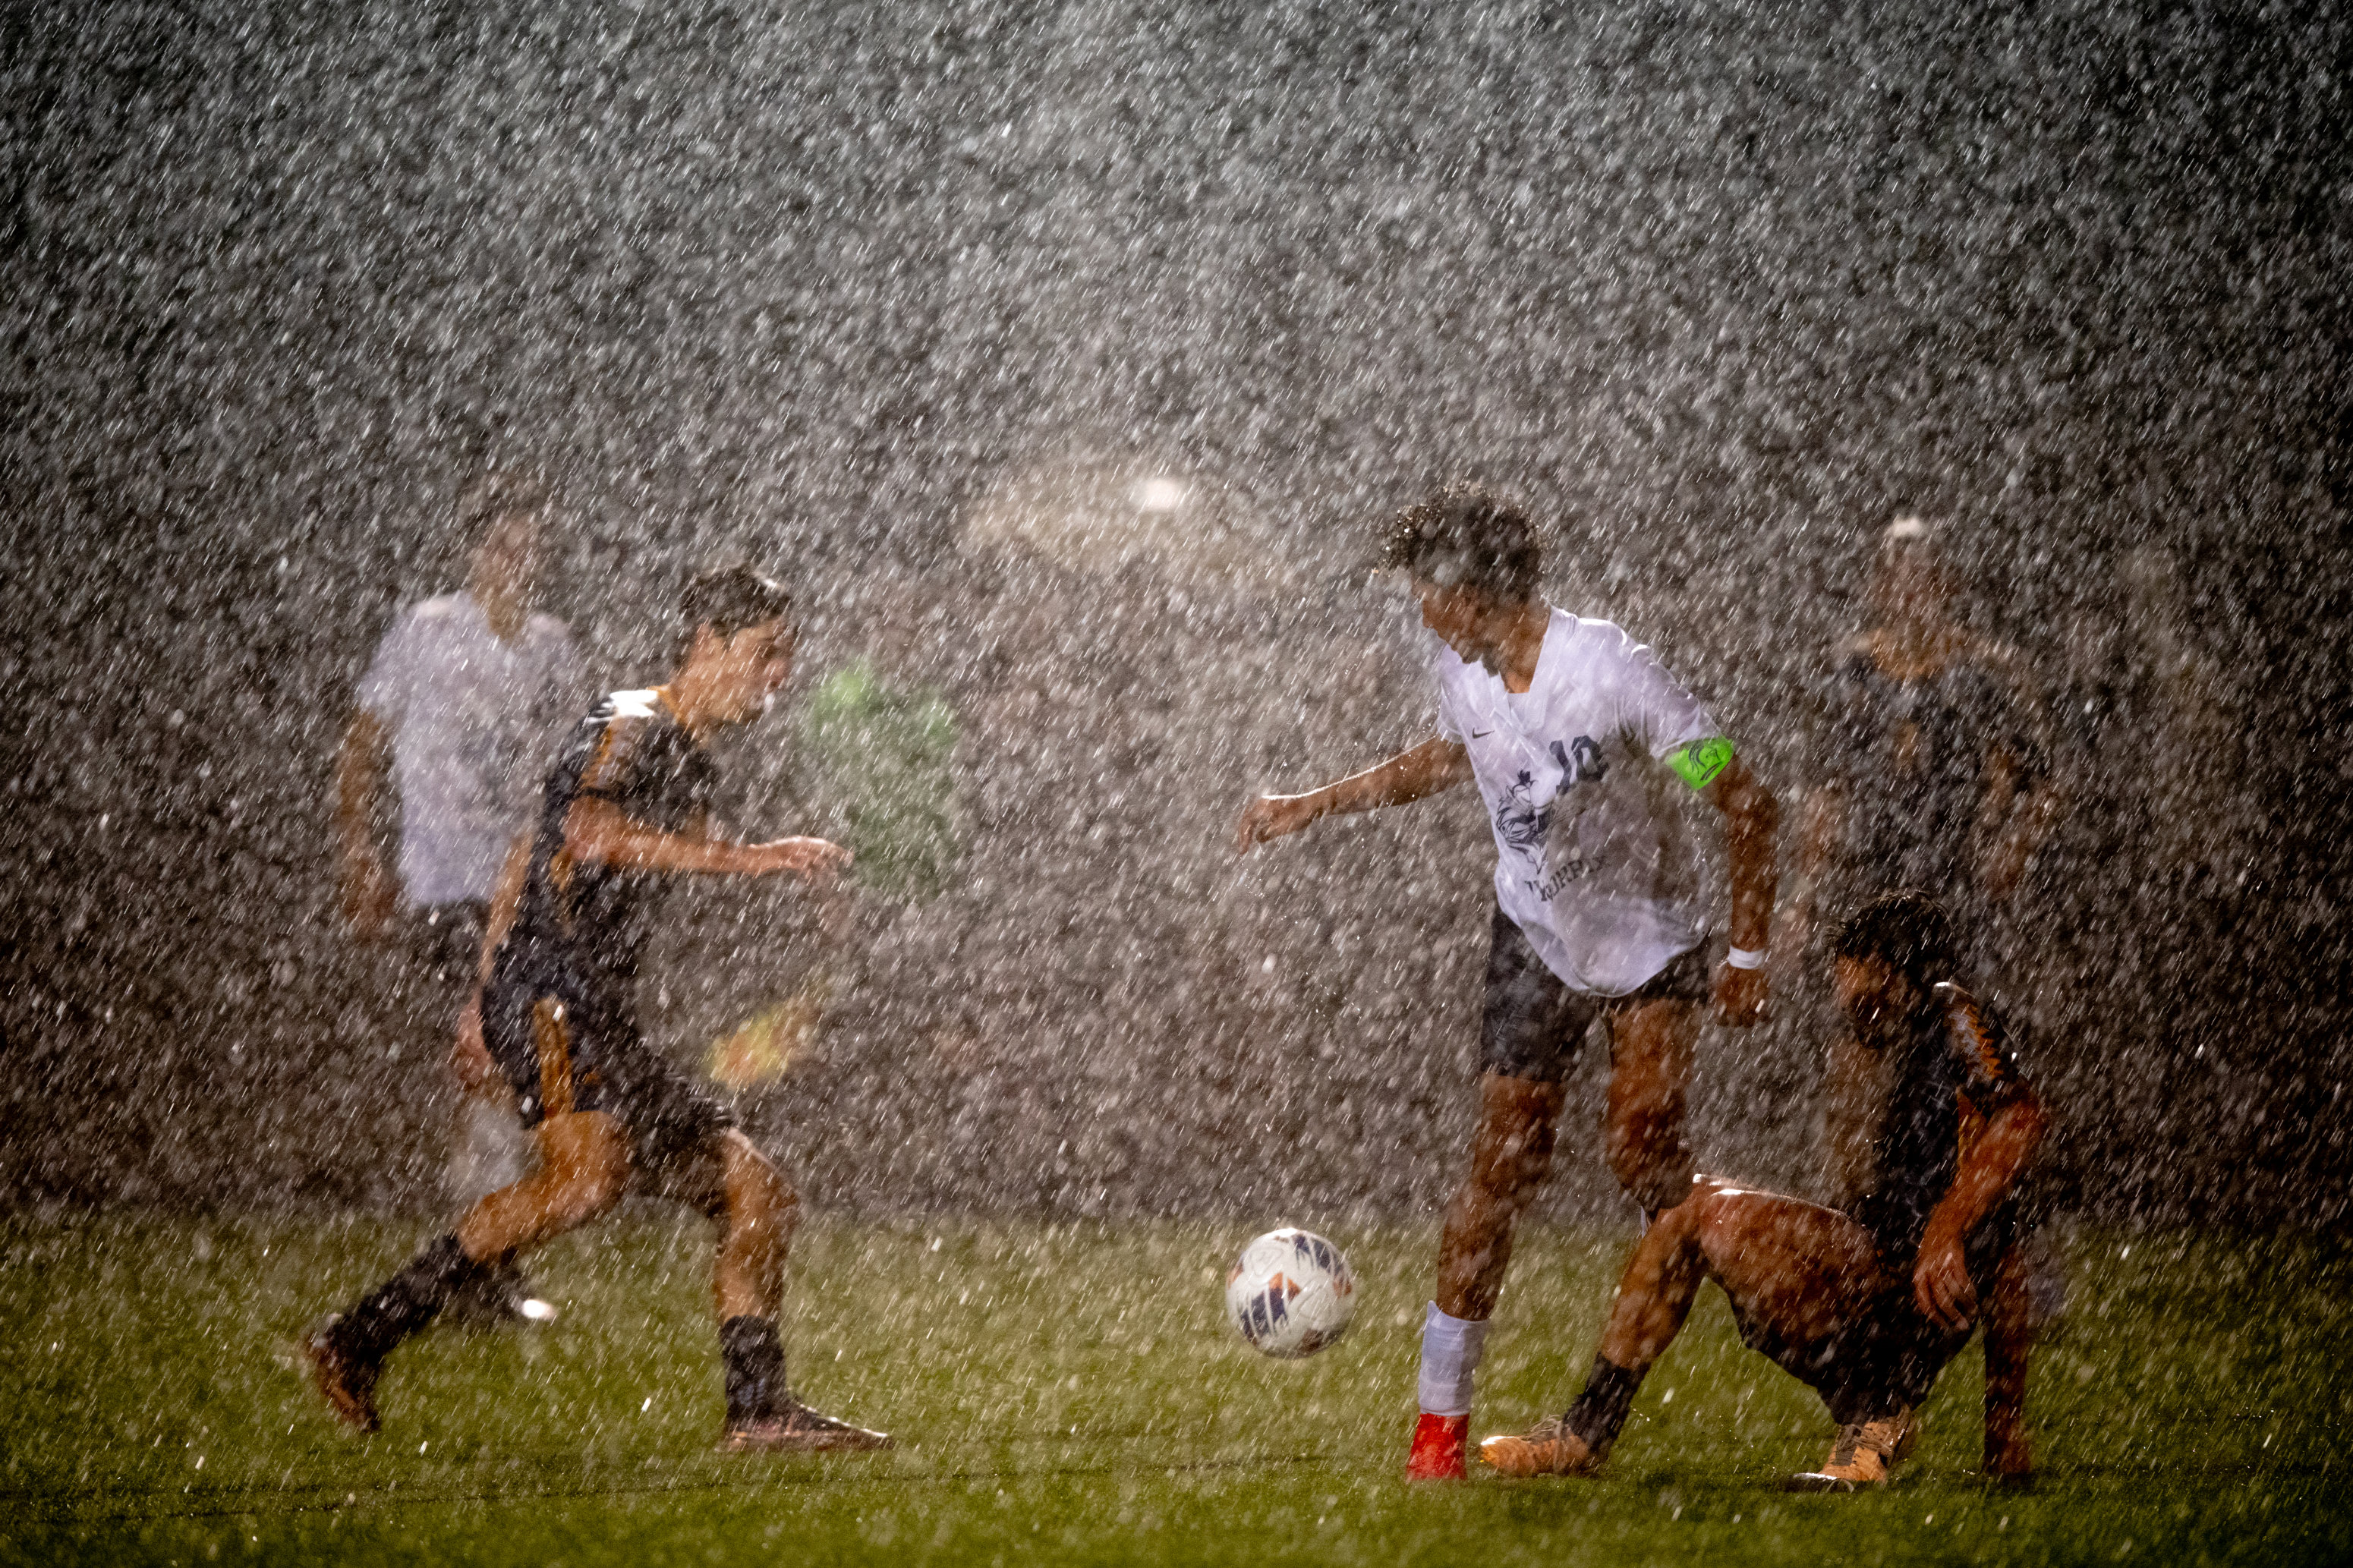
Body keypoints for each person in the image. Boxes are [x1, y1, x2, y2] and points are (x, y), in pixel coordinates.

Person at [1233, 484, 1780, 1481]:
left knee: (1644, 1153)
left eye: (1425, 593)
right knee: (1497, 1174)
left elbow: (1746, 799)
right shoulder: (1461, 666)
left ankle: (1779, 1301)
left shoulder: (1610, 671)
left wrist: (1748, 951)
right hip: (1534, 933)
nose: (1419, 614)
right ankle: (1437, 1431)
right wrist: (1314, 803)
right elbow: (1449, 755)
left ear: (1472, 589)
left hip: (1652, 943)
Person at [306, 565, 890, 1453]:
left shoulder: (689, 754)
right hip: (554, 988)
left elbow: (524, 851)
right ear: (708, 645)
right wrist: (754, 858)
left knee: (757, 1189)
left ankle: (760, 1409)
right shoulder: (629, 716)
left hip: (589, 1001)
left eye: (788, 656)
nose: (782, 676)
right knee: (587, 1178)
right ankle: (357, 1335)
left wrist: (475, 992)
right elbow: (584, 831)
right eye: (768, 654)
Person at [1479, 891, 2045, 1491]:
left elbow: (2022, 1121)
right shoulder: (1899, 1044)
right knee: (1687, 1209)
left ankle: (1872, 1418)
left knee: (1702, 1215)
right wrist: (2003, 1426)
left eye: (1847, 975)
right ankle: (1590, 1430)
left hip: (1904, 1276)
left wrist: (1946, 1227)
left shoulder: (1951, 1011)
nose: (1840, 996)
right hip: (1885, 1261)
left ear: (1883, 966)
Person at [335, 470, 584, 1322]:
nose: (515, 560)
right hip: (445, 881)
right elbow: (361, 747)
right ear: (474, 551)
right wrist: (362, 853)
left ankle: (479, 1259)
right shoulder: (429, 630)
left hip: (518, 883)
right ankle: (474, 1268)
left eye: (528, 546)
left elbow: (568, 775)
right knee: (490, 1065)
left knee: (519, 1073)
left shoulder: (551, 646)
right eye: (500, 544)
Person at [1790, 515, 2062, 1208]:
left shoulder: (1982, 675)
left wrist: (2010, 852)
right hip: (1869, 894)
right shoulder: (1852, 672)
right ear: (1879, 588)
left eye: (1924, 579)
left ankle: (1978, 1225)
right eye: (1896, 579)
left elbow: (2042, 784)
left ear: (1947, 586)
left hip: (1951, 894)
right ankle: (1852, 1226)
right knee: (1857, 1058)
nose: (1910, 594)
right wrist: (1803, 890)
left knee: (1964, 1064)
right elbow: (1825, 791)